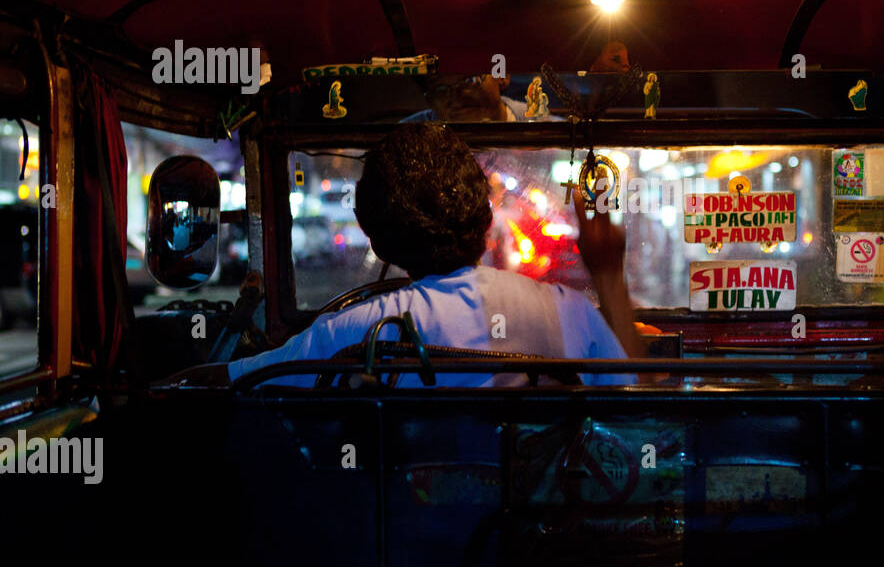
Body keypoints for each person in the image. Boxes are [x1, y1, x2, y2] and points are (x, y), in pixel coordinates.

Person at [183, 121, 644, 388]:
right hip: (535, 547)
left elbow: (228, 383)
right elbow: (641, 408)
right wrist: (608, 274)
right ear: (485, 221)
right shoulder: (566, 314)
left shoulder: (344, 336)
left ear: (378, 242)